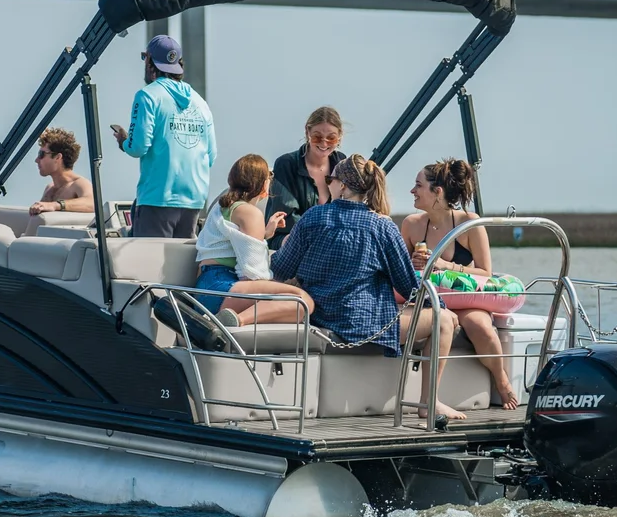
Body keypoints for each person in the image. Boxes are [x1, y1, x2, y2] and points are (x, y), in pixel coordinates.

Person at [271, 153, 463, 422]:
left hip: (320, 316)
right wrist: (440, 305)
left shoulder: (313, 217)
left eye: (331, 179)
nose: (328, 184)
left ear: (344, 186)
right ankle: (428, 403)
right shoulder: (382, 226)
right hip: (363, 324)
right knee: (443, 321)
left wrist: (279, 246)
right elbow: (408, 286)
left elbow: (280, 269)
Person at [401, 158, 520, 409]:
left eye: (418, 185)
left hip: (465, 301)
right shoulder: (411, 225)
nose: (412, 191)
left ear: (438, 192)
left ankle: (501, 380)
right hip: (430, 300)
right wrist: (413, 261)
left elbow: (485, 272)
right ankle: (428, 398)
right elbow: (401, 270)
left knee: (480, 326)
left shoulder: (469, 223)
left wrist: (446, 266)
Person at [109, 35, 216, 238]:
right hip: (193, 201)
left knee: (148, 267)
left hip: (157, 199)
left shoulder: (147, 96)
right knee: (179, 269)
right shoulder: (200, 102)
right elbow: (211, 155)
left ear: (150, 63)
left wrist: (124, 141)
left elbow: (137, 147)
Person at [193, 154, 315, 327]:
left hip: (207, 287)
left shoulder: (224, 206)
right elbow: (252, 273)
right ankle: (234, 320)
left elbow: (233, 242)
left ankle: (232, 318)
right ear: (263, 184)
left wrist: (264, 233)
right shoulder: (250, 213)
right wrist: (280, 283)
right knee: (302, 301)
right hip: (223, 288)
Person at [267, 106, 347, 249]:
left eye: (331, 138)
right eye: (317, 137)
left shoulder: (341, 163)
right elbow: (286, 218)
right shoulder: (286, 164)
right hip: (290, 238)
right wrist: (324, 233)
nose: (324, 143)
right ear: (307, 132)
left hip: (331, 242)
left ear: (339, 137)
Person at [28, 127, 95, 216]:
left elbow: (93, 204)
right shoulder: (49, 188)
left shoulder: (79, 184)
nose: (36, 160)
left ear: (57, 157)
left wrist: (55, 205)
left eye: (41, 154)